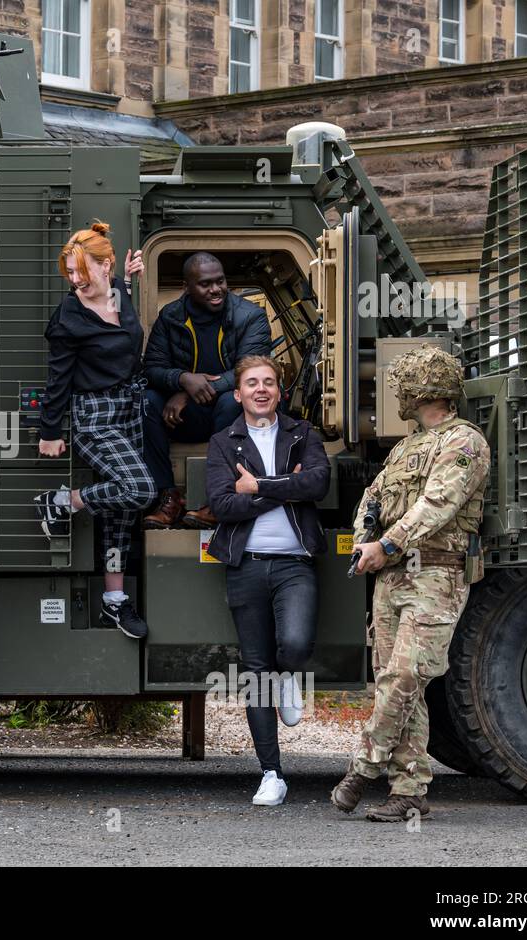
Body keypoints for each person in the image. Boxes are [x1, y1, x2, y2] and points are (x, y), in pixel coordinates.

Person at [331, 344, 489, 823]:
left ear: (419, 388)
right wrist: (365, 541)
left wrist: (388, 545)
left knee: (405, 676)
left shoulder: (464, 442)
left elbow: (437, 505)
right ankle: (409, 790)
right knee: (397, 686)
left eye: (401, 383)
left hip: (436, 575)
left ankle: (363, 765)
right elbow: (372, 499)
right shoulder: (407, 446)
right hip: (392, 577)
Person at [206, 355, 330, 806]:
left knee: (294, 645)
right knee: (256, 672)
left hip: (295, 562)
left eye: (270, 383)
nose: (261, 389)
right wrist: (281, 487)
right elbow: (221, 505)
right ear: (237, 394)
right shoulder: (224, 441)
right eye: (252, 383)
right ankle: (271, 774)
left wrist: (256, 486)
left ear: (280, 392)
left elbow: (317, 484)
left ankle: (290, 675)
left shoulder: (302, 434)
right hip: (246, 565)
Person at [32, 221, 153, 639]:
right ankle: (62, 501)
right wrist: (49, 429)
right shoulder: (69, 317)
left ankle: (114, 601)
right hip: (95, 415)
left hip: (130, 409)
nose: (76, 280)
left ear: (107, 266)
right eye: (69, 272)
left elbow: (125, 332)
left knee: (123, 512)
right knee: (139, 488)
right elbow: (58, 378)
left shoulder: (120, 288)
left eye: (83, 270)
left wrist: (131, 280)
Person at [141, 252, 272, 530]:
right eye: (205, 284)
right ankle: (168, 497)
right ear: (187, 286)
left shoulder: (251, 317)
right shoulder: (171, 317)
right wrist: (181, 378)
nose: (216, 289)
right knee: (147, 401)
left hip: (236, 419)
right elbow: (152, 368)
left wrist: (188, 390)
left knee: (233, 399)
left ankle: (220, 499)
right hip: (189, 417)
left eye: (220, 281)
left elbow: (249, 372)